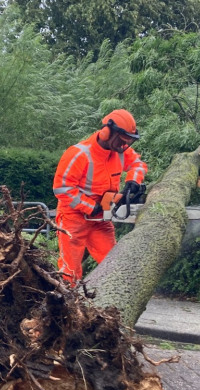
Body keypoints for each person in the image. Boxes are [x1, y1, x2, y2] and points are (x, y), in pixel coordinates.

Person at [53, 108, 148, 284]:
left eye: (127, 141)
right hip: (74, 218)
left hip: (101, 218)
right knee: (70, 271)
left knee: (113, 264)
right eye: (121, 140)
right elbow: (62, 188)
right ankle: (66, 299)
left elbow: (138, 164)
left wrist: (133, 181)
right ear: (106, 132)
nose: (123, 145)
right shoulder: (79, 154)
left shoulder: (120, 152)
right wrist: (91, 207)